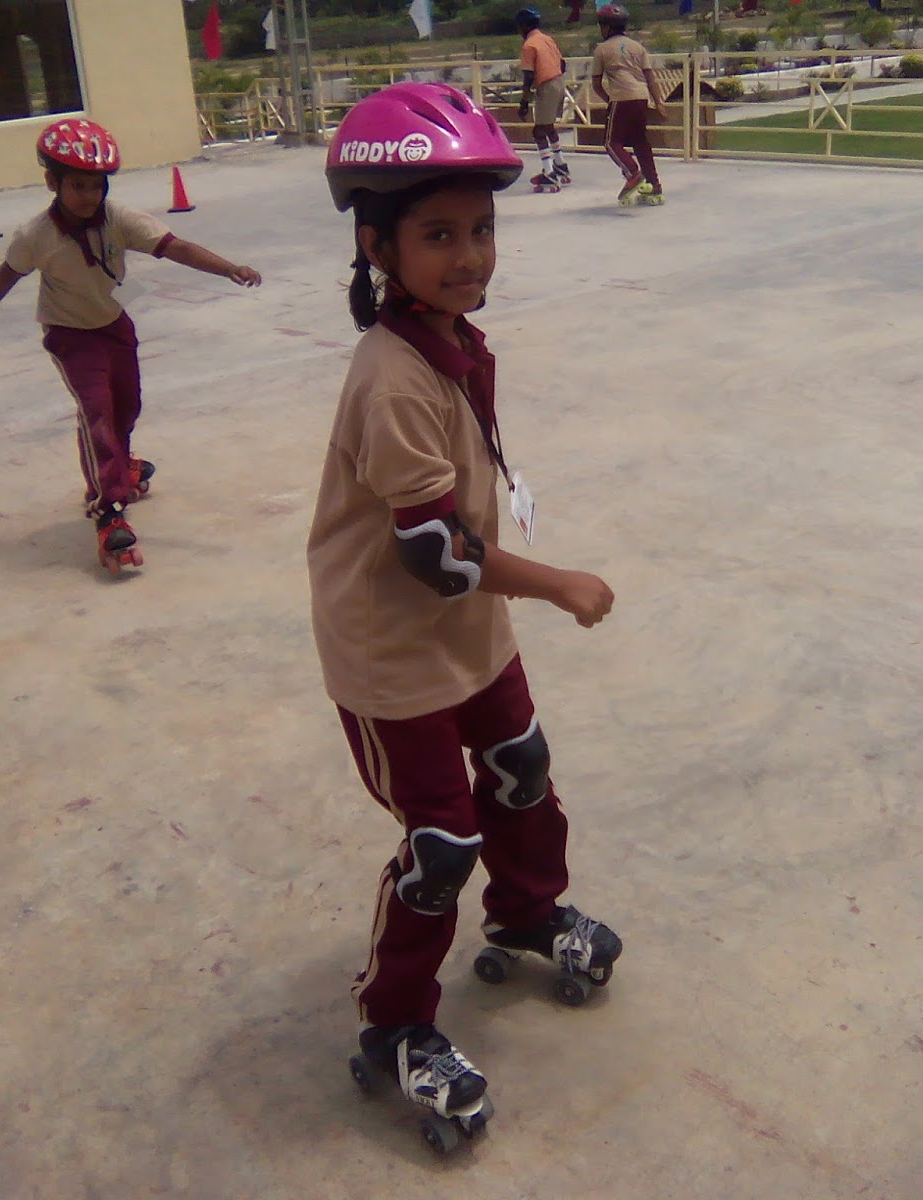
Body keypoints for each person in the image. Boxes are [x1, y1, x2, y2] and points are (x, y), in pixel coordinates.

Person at [311, 82, 622, 1135]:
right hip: (394, 651)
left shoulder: (446, 340)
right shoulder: (392, 377)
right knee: (441, 842)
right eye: (438, 234)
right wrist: (560, 582)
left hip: (467, 632)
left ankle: (528, 913)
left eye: (482, 229)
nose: (469, 256)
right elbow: (437, 554)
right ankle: (393, 1026)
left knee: (521, 771)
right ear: (376, 243)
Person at [0, 118, 262, 574]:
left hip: (113, 325)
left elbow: (174, 247)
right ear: (51, 182)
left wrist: (229, 268)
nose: (89, 196)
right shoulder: (34, 234)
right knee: (96, 411)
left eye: (97, 186)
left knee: (127, 406)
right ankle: (108, 509)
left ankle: (121, 463)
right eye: (78, 185)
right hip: (68, 334)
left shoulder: (118, 218)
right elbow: (11, 271)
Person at [592, 4, 668, 206]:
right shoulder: (638, 47)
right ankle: (655, 186)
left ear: (606, 27)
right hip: (641, 97)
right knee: (640, 142)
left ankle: (633, 174)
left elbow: (596, 83)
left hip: (620, 97)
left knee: (611, 142)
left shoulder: (602, 50)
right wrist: (659, 101)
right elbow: (650, 77)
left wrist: (609, 99)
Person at [516, 7, 572, 192]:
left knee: (538, 131)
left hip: (546, 85)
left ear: (524, 26)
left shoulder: (529, 45)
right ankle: (561, 165)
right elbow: (562, 64)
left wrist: (524, 102)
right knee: (548, 127)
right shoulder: (547, 39)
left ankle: (549, 173)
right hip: (559, 82)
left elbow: (529, 77)